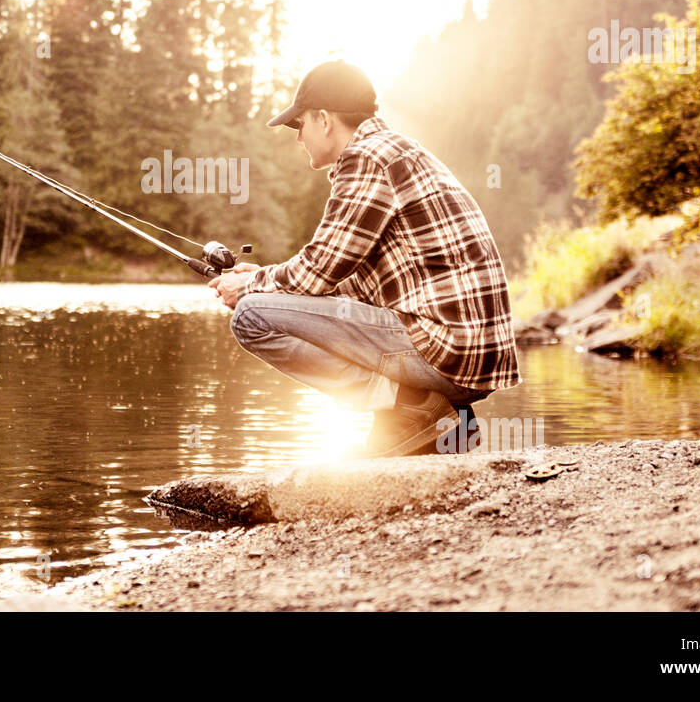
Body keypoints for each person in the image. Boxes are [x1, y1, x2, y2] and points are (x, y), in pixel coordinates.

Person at [209, 60, 521, 457]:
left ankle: (412, 408)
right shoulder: (395, 150)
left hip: (445, 352)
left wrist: (251, 286)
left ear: (323, 119)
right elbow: (346, 280)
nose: (298, 136)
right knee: (263, 300)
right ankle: (439, 421)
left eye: (298, 124)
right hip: (471, 356)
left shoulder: (367, 157)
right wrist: (269, 281)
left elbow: (318, 271)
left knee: (251, 316)